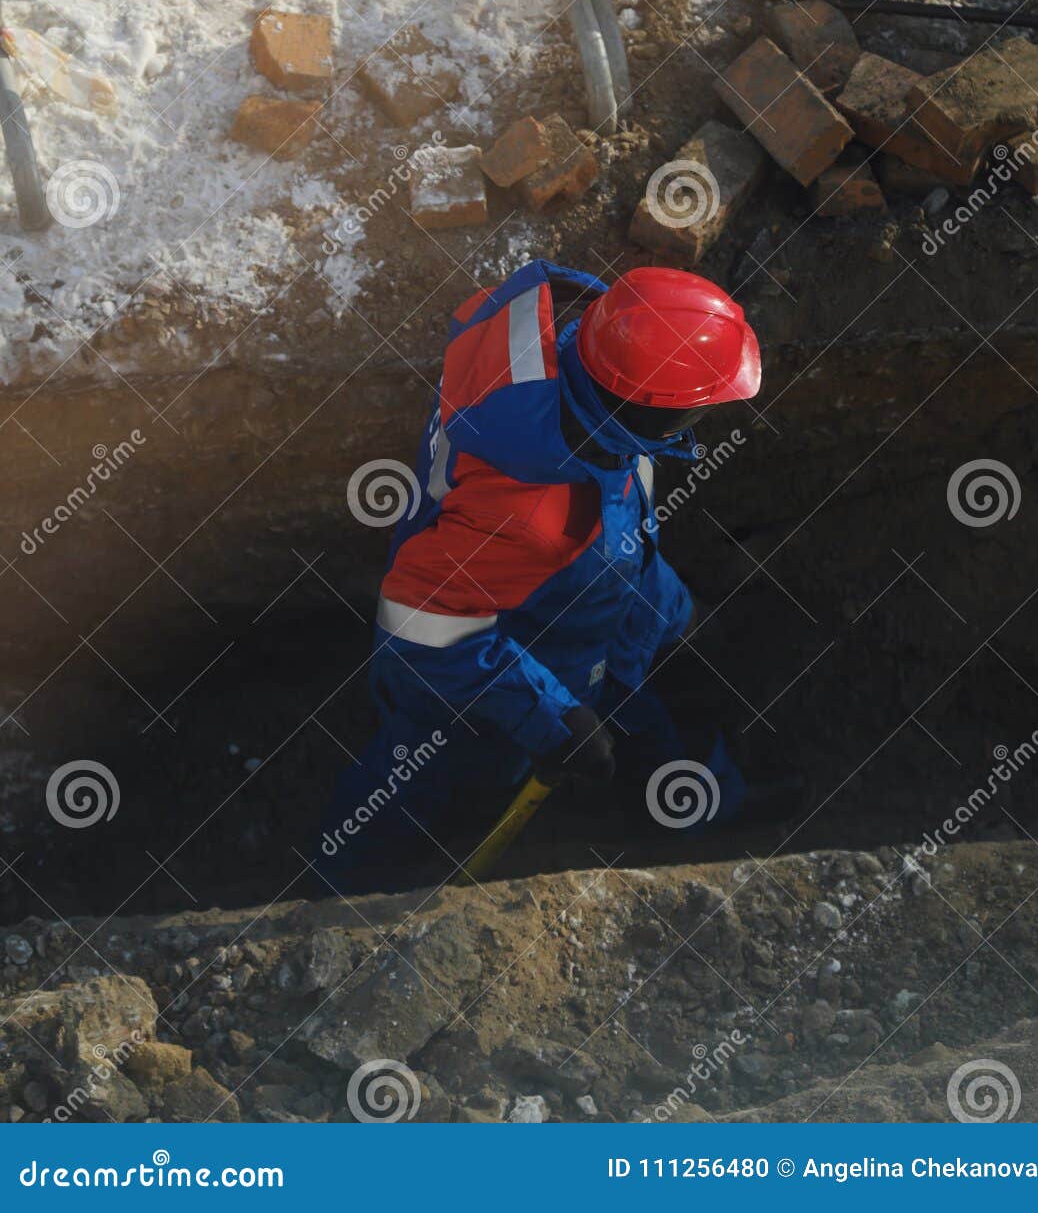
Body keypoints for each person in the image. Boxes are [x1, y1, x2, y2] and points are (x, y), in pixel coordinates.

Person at [319, 260, 765, 892]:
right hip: (471, 693)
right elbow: (422, 631)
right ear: (649, 413)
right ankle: (344, 886)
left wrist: (675, 617)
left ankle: (698, 800)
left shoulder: (570, 377)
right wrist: (552, 719)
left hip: (575, 626)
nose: (702, 423)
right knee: (423, 783)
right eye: (694, 411)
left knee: (641, 720)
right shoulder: (534, 508)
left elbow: (620, 543)